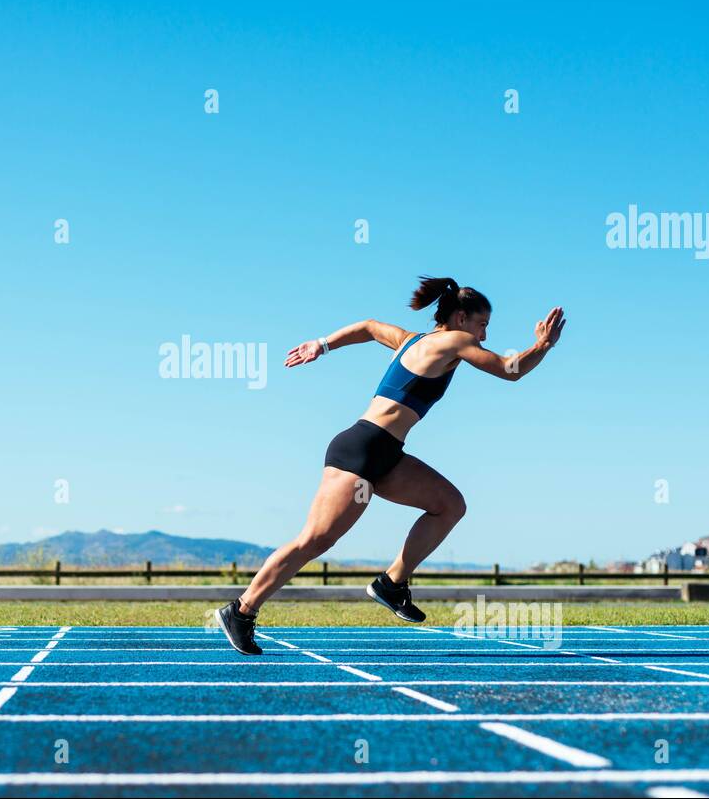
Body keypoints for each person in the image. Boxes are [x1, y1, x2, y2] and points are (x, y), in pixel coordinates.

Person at [216, 276, 565, 655]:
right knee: (315, 539)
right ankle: (241, 610)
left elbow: (368, 327)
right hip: (362, 450)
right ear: (461, 318)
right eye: (482, 325)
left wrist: (324, 344)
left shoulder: (412, 340)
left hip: (385, 454)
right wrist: (542, 346)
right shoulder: (456, 340)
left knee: (450, 505)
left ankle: (392, 583)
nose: (483, 336)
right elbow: (510, 369)